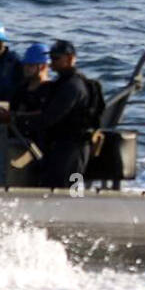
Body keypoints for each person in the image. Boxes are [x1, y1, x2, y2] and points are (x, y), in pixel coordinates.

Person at [36, 40, 94, 188]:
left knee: (72, 190)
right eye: (51, 58)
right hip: (61, 147)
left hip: (74, 149)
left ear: (69, 59)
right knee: (53, 187)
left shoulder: (73, 86)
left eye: (56, 58)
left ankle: (76, 211)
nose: (52, 62)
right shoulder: (62, 83)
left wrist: (19, 118)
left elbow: (50, 117)